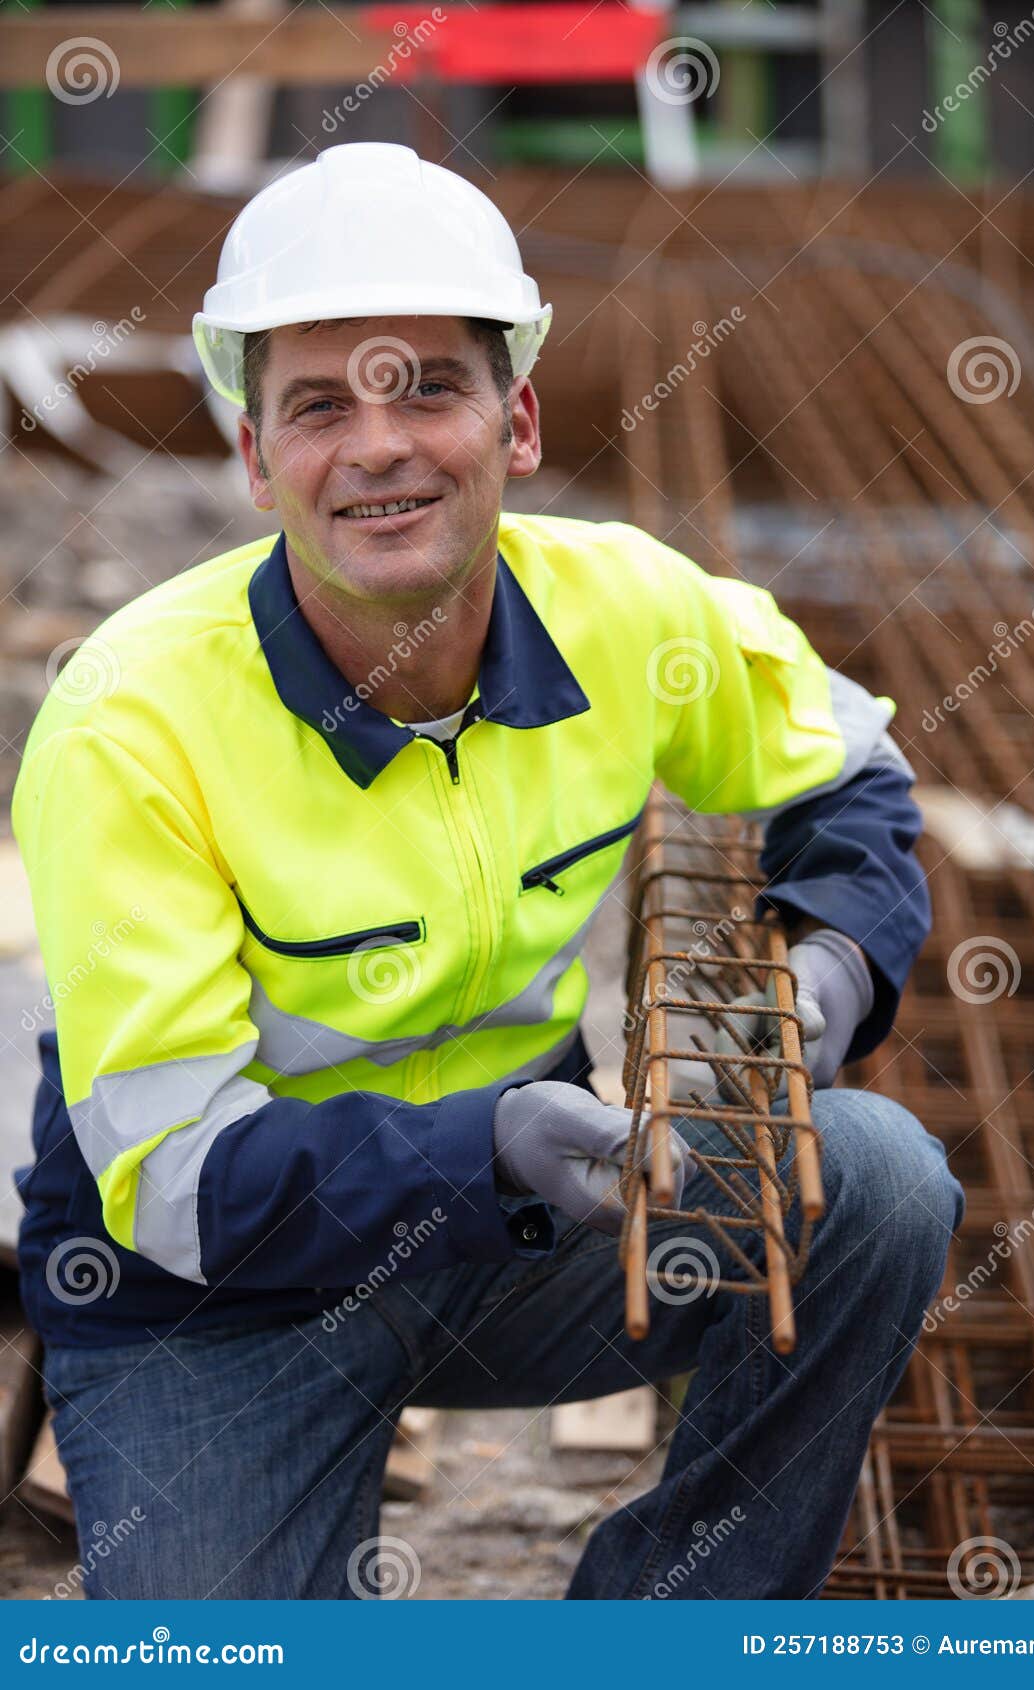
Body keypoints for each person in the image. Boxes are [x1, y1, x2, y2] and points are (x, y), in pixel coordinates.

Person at [12, 143, 962, 1600]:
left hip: (529, 1226)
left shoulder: (626, 609)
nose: (381, 446)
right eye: (321, 405)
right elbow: (182, 1188)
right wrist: (486, 1153)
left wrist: (833, 953)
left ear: (515, 422)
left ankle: (663, 1627)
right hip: (219, 1290)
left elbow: (852, 763)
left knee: (882, 1182)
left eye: (429, 389)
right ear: (257, 457)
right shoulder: (130, 723)